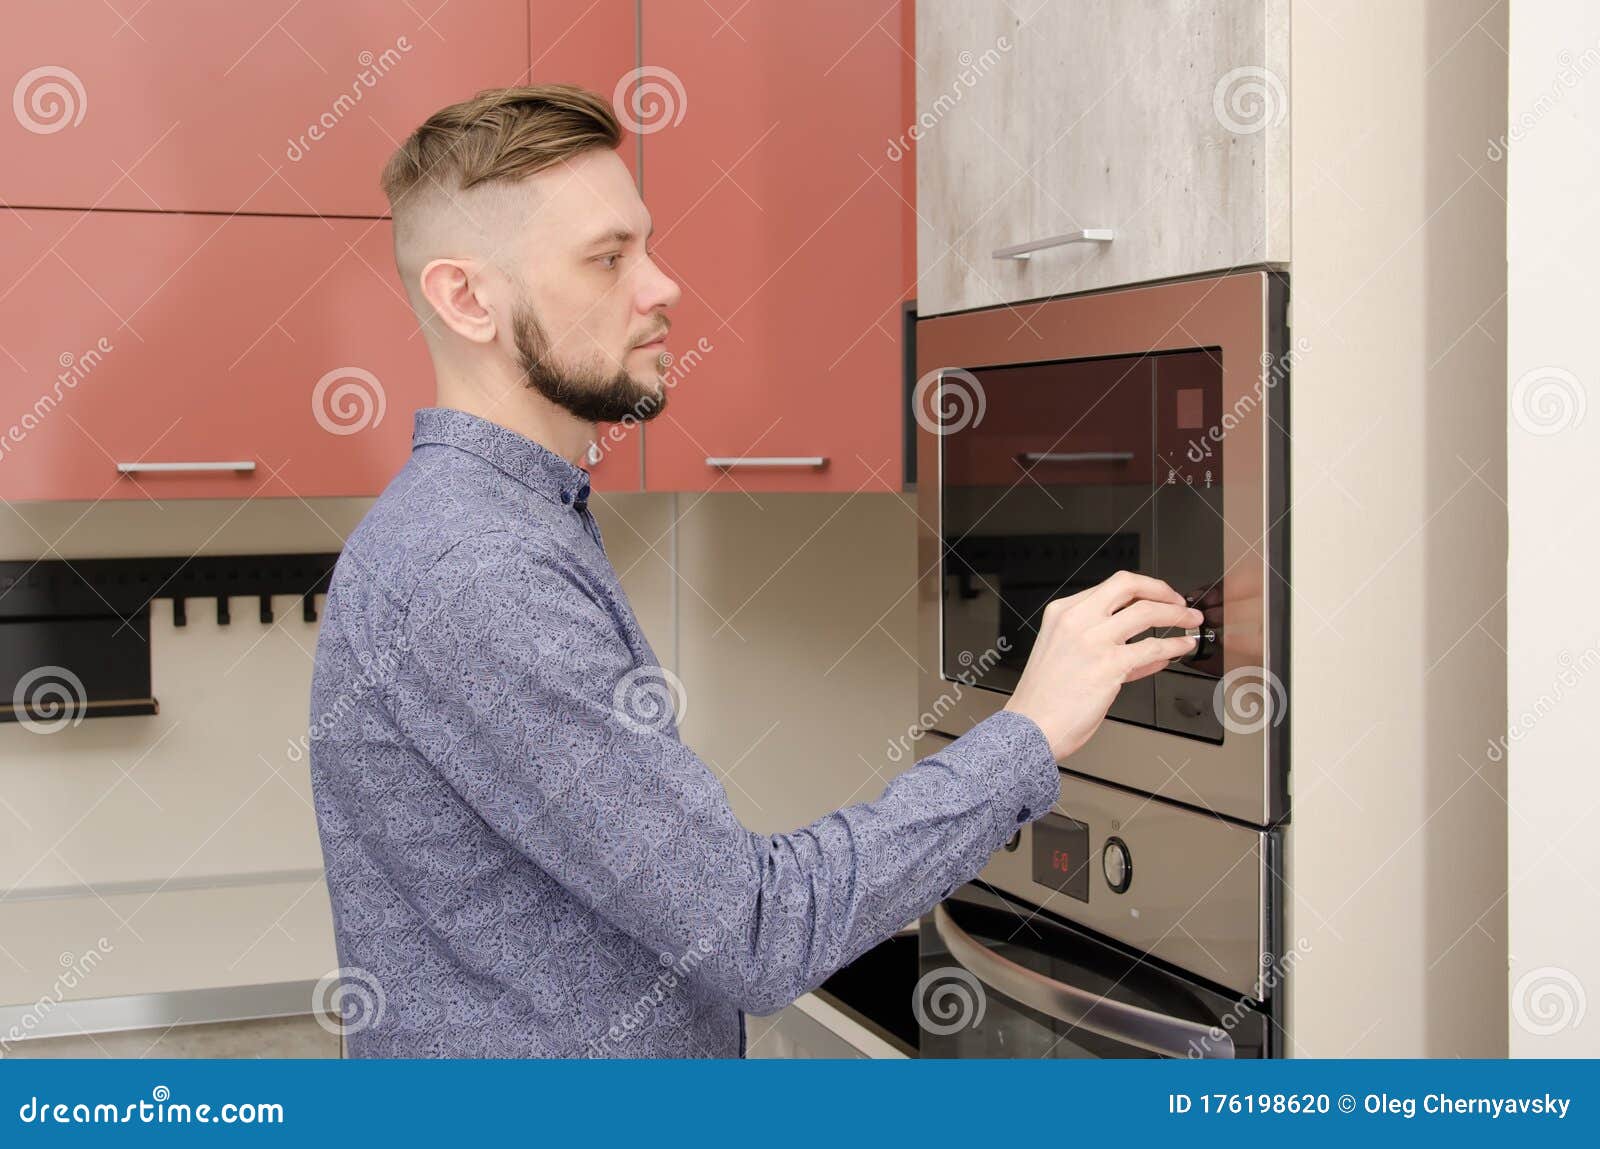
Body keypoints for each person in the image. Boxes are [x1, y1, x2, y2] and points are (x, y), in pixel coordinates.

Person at [306, 84, 1202, 1058]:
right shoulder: (480, 568)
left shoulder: (500, 524)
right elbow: (752, 932)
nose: (661, 287)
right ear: (467, 298)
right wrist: (1025, 734)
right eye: (608, 258)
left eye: (645, 245)